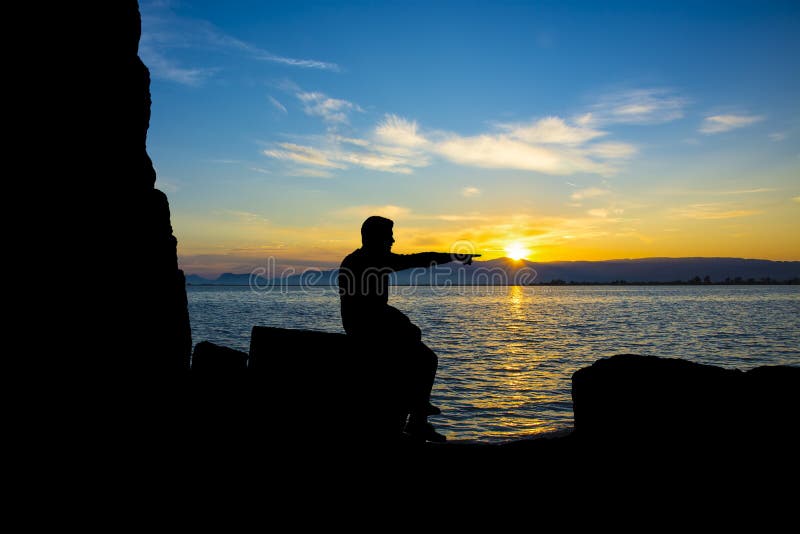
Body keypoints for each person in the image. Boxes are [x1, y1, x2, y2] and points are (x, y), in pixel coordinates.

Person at [338, 215, 478, 442]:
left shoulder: (356, 260)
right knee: (426, 358)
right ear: (376, 237)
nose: (393, 240)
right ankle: (417, 418)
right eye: (389, 235)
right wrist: (453, 257)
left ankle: (417, 412)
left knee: (415, 340)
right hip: (368, 329)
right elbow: (417, 260)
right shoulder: (369, 260)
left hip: (364, 325)